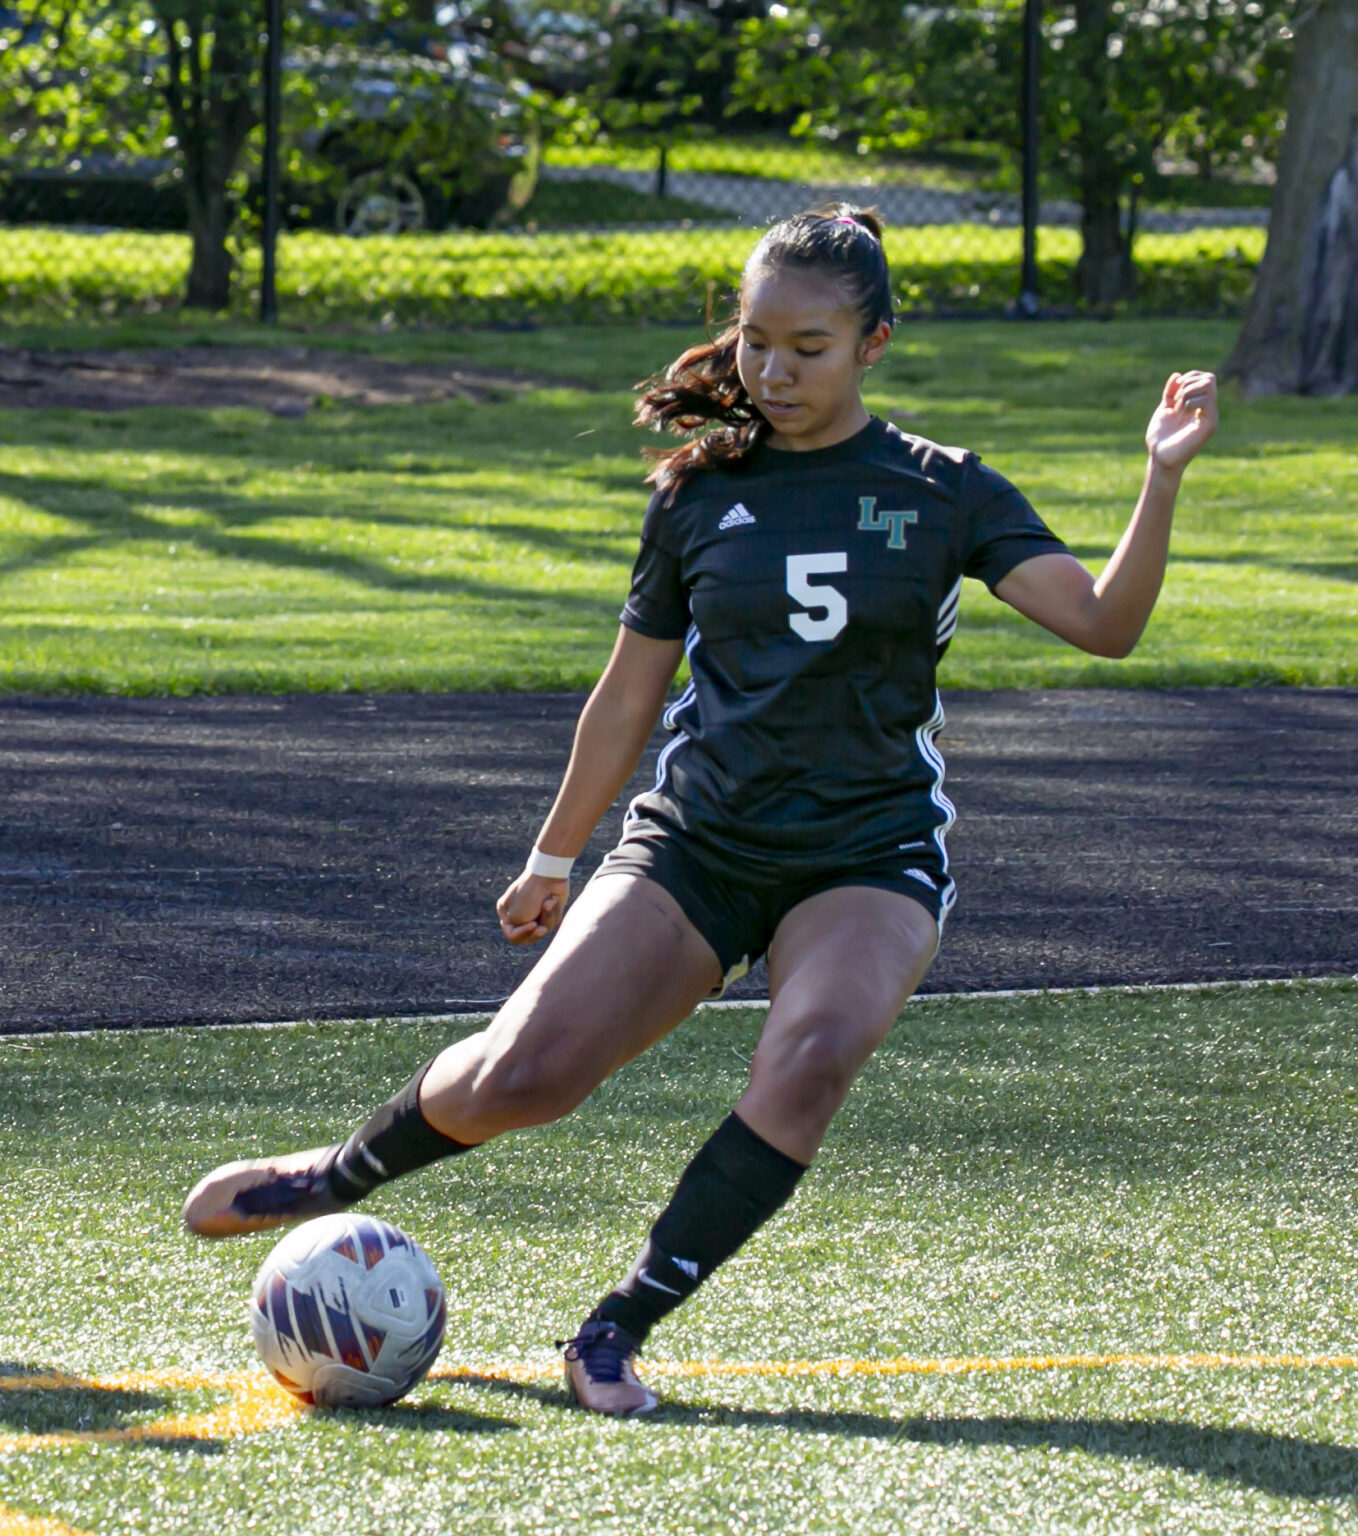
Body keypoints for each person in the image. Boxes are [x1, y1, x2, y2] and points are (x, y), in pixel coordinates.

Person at [184, 205, 1219, 1416]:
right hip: (697, 840)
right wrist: (552, 856)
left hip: (867, 851)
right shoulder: (695, 497)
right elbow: (627, 698)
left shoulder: (943, 490)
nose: (773, 372)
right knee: (523, 1076)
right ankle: (336, 1174)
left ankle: (614, 1328)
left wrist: (1157, 475)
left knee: (815, 1052)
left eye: (809, 348)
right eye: (754, 342)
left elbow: (1104, 622)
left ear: (873, 343)